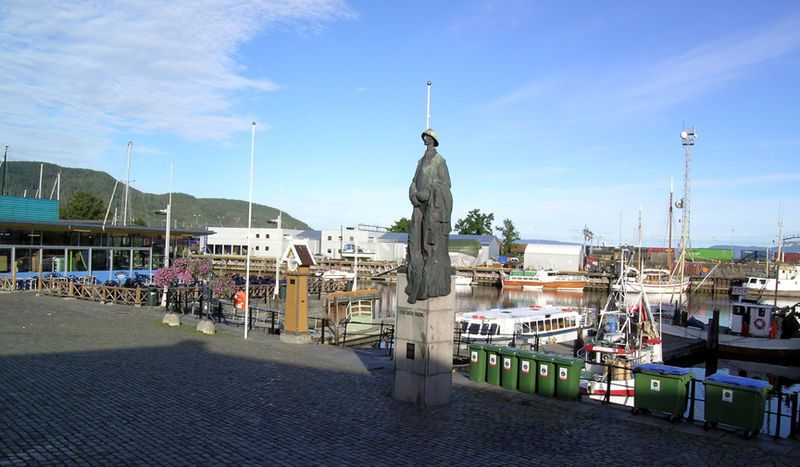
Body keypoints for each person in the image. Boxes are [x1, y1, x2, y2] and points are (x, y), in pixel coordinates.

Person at [405, 128, 453, 304]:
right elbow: (412, 182)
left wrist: (431, 189)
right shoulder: (420, 161)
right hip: (418, 205)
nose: (425, 139)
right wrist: (413, 194)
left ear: (433, 140)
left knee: (429, 245)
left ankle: (428, 283)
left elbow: (446, 184)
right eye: (424, 137)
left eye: (427, 137)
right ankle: (414, 278)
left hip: (432, 206)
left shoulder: (440, 161)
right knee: (414, 241)